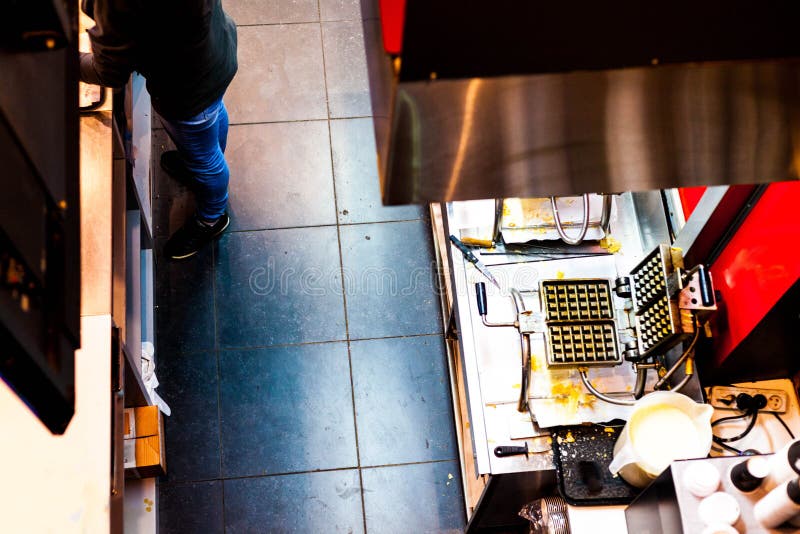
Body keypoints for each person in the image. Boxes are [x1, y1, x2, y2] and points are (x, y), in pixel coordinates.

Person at [79, 0, 237, 260]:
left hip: (187, 89)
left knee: (205, 160)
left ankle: (212, 218)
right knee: (211, 117)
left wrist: (66, 61)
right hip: (217, 47)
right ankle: (198, 165)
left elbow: (109, 71)